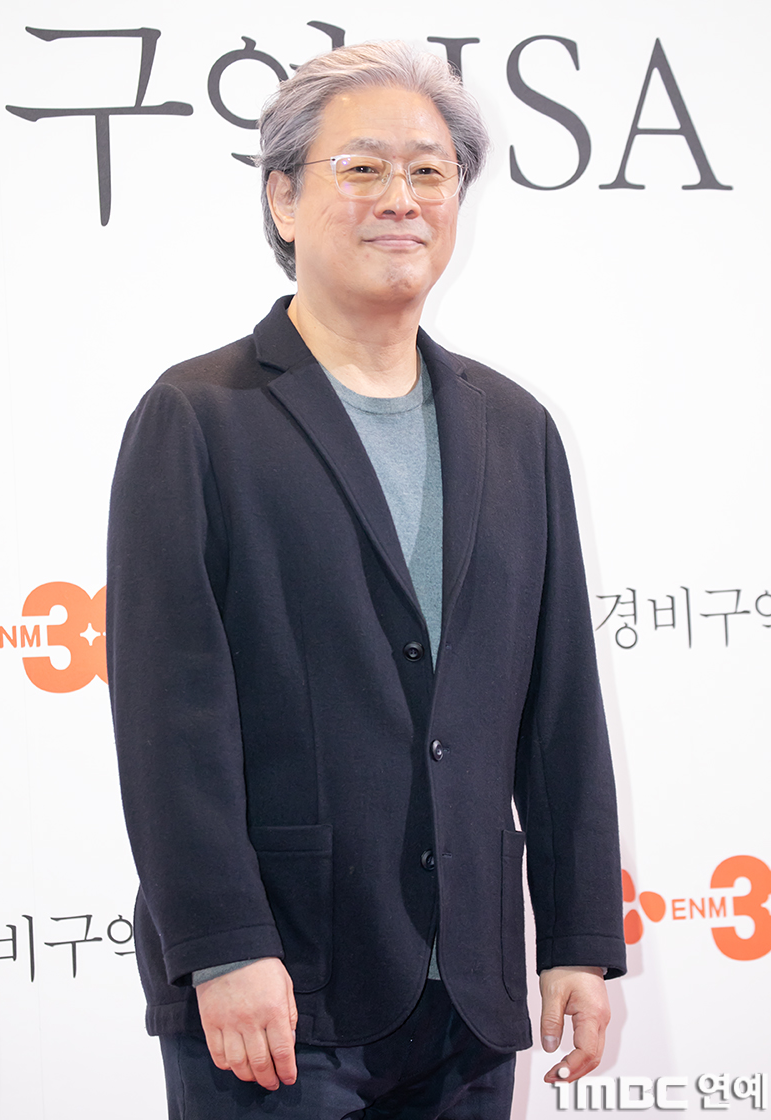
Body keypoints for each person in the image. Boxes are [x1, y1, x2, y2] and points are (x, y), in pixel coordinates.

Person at [107, 40, 626, 1120]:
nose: (402, 198)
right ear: (283, 198)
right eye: (363, 168)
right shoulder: (197, 416)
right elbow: (169, 718)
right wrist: (223, 946)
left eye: (430, 172)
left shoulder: (515, 427)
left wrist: (576, 938)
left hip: (471, 992)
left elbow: (558, 706)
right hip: (280, 990)